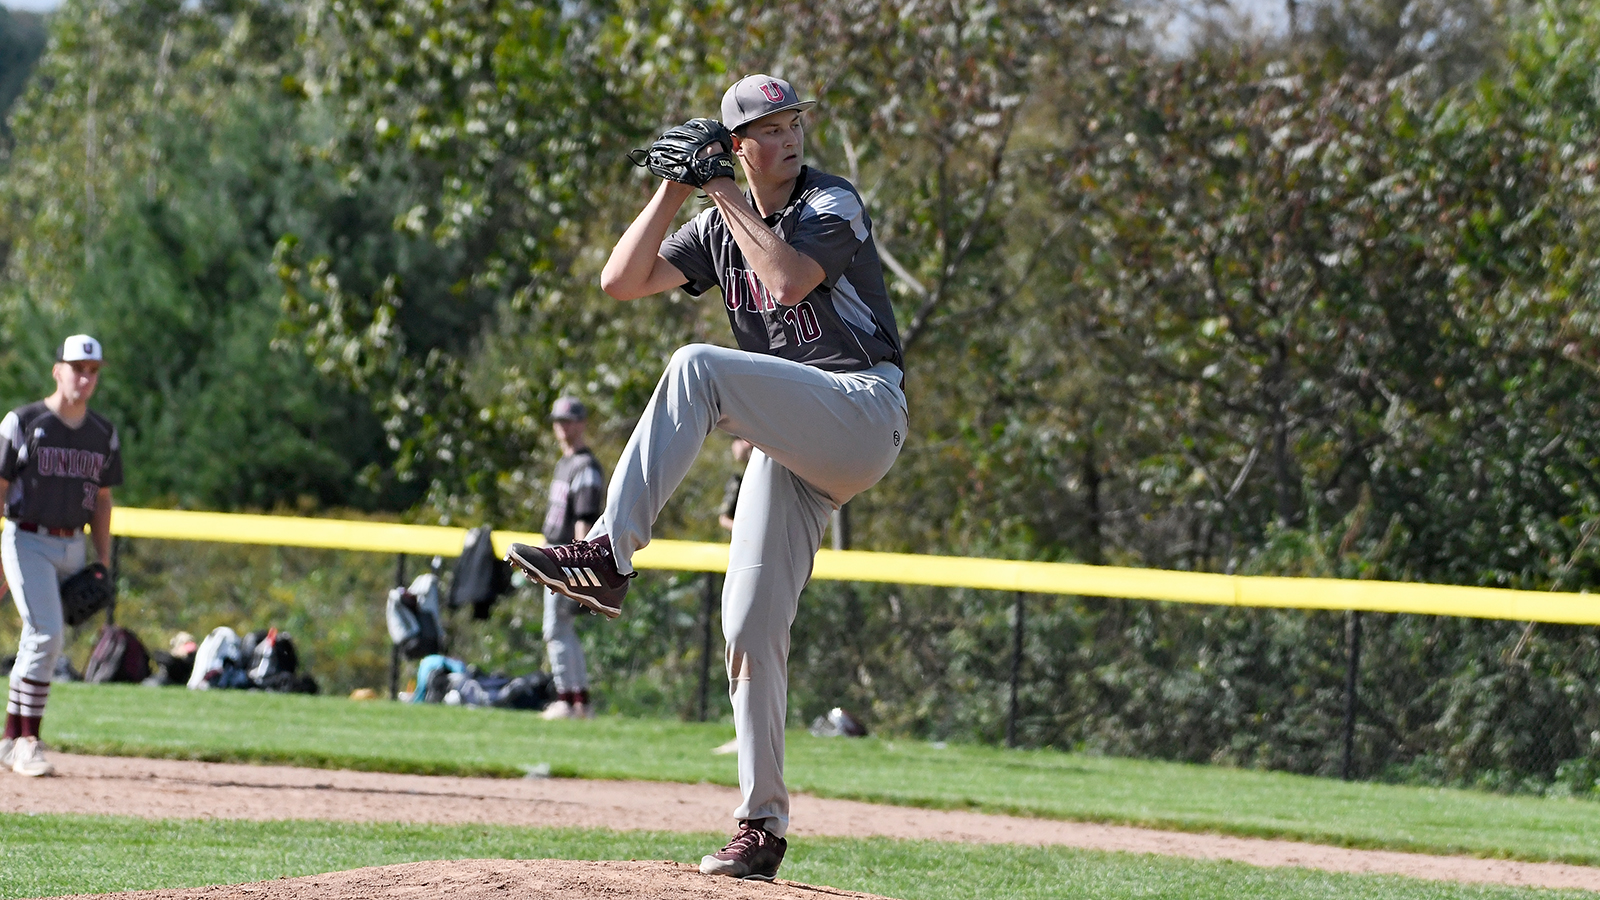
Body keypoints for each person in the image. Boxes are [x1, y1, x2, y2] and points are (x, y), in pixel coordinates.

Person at [507, 74, 907, 881]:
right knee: (748, 627)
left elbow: (786, 281)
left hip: (863, 410)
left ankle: (609, 555)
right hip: (792, 445)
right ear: (737, 145)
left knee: (698, 367)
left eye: (793, 123)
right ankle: (761, 829)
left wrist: (719, 188)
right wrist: (671, 188)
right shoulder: (719, 220)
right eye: (770, 128)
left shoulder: (831, 202)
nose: (789, 138)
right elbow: (621, 281)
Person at [0, 335, 122, 777]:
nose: (85, 378)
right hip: (26, 538)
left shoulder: (103, 433)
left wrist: (102, 557)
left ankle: (10, 738)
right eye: (77, 368)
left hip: (73, 544)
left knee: (41, 643)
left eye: (92, 371)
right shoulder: (23, 422)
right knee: (46, 635)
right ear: (57, 371)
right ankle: (28, 741)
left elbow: (102, 500)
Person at [537, 396, 605, 720]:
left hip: (567, 555)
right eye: (559, 421)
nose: (563, 427)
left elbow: (585, 517)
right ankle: (579, 702)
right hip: (554, 552)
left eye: (569, 421)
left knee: (555, 628)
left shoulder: (585, 466)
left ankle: (567, 699)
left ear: (582, 424)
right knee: (562, 628)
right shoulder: (565, 463)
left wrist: (580, 561)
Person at [718, 437, 754, 532]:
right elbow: (724, 519)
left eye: (736, 440)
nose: (733, 446)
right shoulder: (738, 481)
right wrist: (749, 532)